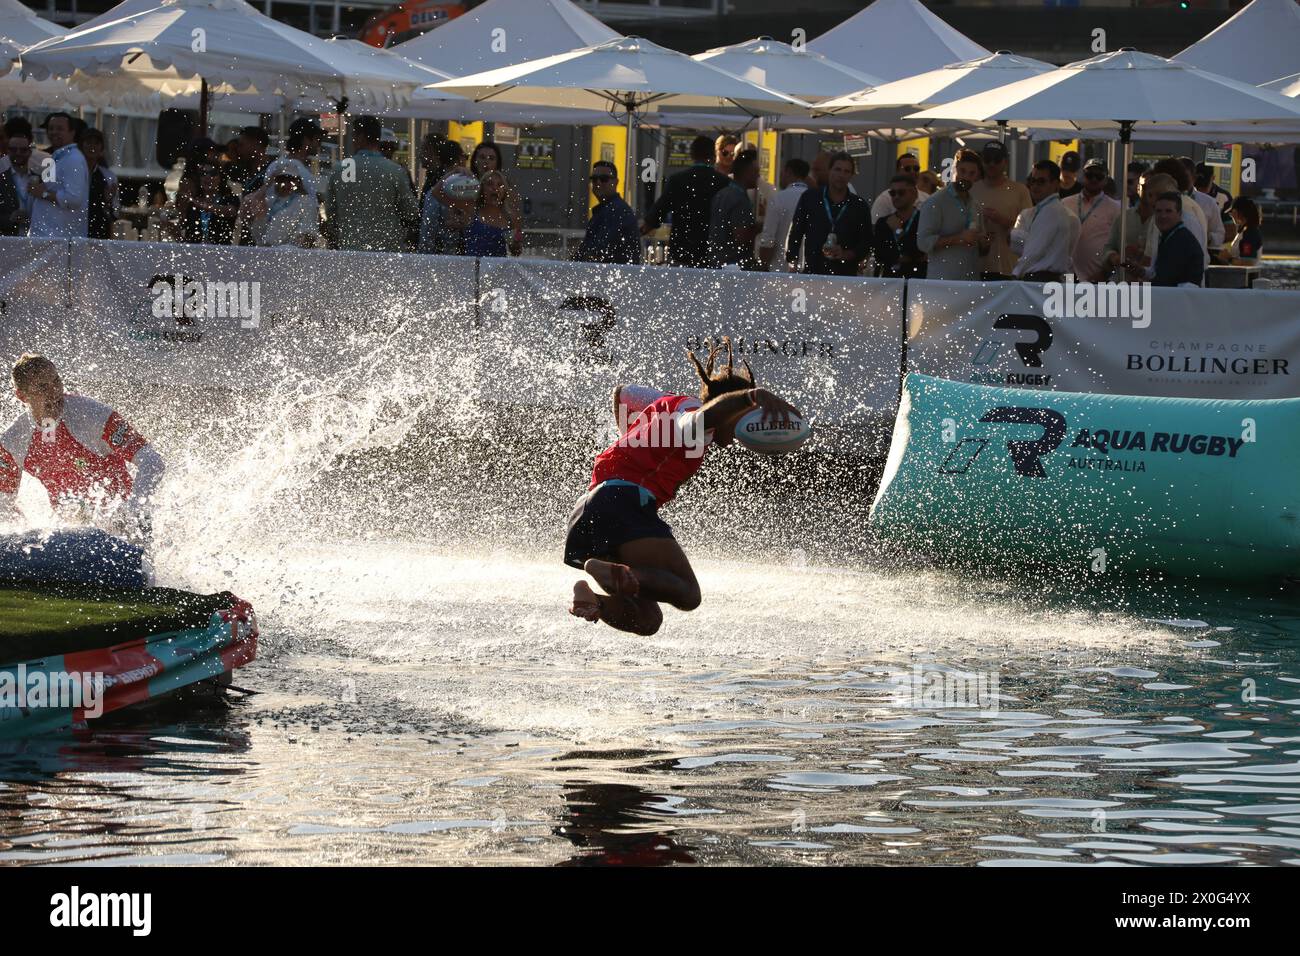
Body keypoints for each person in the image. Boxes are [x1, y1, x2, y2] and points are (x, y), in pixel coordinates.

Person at [566, 339, 799, 635]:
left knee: (647, 620)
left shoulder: (669, 404)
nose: (744, 428)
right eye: (745, 418)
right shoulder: (696, 424)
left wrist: (635, 441)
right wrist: (753, 396)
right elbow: (707, 416)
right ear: (729, 408)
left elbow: (624, 394)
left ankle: (594, 602)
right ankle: (603, 570)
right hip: (624, 500)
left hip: (592, 505)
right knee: (688, 594)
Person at [1, 354, 164, 540]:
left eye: (56, 380)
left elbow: (152, 461)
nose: (54, 392)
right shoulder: (11, 441)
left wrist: (133, 508)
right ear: (22, 396)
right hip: (72, 536)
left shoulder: (94, 415)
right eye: (42, 387)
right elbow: (3, 506)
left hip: (126, 526)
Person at [323, 115, 420, 252]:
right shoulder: (394, 171)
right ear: (377, 138)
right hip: (387, 250)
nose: (353, 139)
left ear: (360, 137)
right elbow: (411, 212)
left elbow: (331, 212)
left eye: (354, 135)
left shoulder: (342, 168)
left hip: (350, 247)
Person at [642, 135, 729, 268]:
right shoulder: (723, 182)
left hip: (681, 252)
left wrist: (642, 229)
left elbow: (658, 212)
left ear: (692, 154)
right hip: (711, 253)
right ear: (713, 155)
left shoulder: (677, 180)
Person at [786, 151, 872, 276]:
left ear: (851, 175)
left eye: (846, 171)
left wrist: (846, 254)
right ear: (829, 170)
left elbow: (866, 242)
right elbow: (796, 232)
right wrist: (792, 263)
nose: (841, 175)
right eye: (837, 169)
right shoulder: (810, 198)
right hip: (813, 273)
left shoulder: (859, 206)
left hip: (845, 276)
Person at [917, 148, 988, 282]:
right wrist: (958, 238)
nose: (966, 177)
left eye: (972, 173)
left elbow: (980, 247)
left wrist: (984, 243)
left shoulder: (975, 205)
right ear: (954, 169)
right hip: (942, 283)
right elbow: (923, 242)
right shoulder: (936, 202)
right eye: (962, 171)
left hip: (970, 282)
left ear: (977, 176)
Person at [970, 141, 1031, 279]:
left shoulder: (1020, 190)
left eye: (996, 160)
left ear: (1005, 162)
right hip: (977, 267)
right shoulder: (972, 190)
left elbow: (1030, 229)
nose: (991, 164)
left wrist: (1004, 221)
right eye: (987, 159)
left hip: (1009, 267)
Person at [1011, 159, 1078, 283]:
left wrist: (1016, 273)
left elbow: (1033, 251)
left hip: (1042, 280)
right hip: (1046, 279)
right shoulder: (1050, 210)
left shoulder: (1052, 211)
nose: (1035, 186)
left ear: (1055, 184)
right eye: (1032, 181)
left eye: (1041, 182)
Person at [25, 112, 88, 239]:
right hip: (48, 236)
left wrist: (42, 194)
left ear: (72, 132)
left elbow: (74, 199)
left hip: (59, 240)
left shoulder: (73, 159)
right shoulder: (59, 157)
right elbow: (47, 190)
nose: (54, 132)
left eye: (60, 129)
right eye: (51, 128)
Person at [575, 161, 641, 265]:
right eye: (594, 179)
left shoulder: (617, 211)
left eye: (604, 179)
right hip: (612, 274)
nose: (598, 183)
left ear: (615, 182)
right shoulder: (607, 210)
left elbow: (599, 250)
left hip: (615, 275)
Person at [1065, 158, 1120, 282]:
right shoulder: (1065, 203)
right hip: (1067, 274)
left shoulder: (1116, 208)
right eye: (1090, 175)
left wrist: (1105, 273)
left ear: (1106, 179)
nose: (1094, 179)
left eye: (1099, 176)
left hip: (1099, 277)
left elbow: (1117, 246)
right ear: (1082, 176)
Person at [707, 150, 760, 270]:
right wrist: (759, 227)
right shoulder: (739, 198)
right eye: (756, 172)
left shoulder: (722, 193)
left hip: (717, 261)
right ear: (746, 173)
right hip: (734, 265)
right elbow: (741, 236)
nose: (758, 176)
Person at [469, 141, 523, 255]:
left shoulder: (507, 193)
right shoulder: (465, 188)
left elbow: (516, 239)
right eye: (482, 157)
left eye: (491, 158)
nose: (486, 162)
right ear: (475, 161)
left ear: (497, 164)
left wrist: (516, 238)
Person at [758, 157, 809, 272]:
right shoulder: (815, 199)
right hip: (806, 268)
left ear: (789, 172)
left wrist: (763, 266)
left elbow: (768, 238)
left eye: (782, 172)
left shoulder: (778, 199)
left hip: (779, 269)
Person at [1102, 172, 1156, 279]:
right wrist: (1115, 257)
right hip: (1122, 281)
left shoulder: (1162, 220)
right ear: (1138, 188)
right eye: (1144, 186)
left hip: (1149, 285)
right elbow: (1108, 247)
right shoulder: (1123, 218)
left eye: (1151, 187)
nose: (1147, 191)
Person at [418, 138, 467, 255]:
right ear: (460, 160)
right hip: (455, 255)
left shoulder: (435, 189)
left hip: (442, 257)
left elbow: (427, 231)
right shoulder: (465, 190)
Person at [872, 173, 926, 279]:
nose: (896, 197)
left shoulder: (923, 221)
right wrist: (907, 256)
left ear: (914, 194)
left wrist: (898, 231)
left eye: (901, 192)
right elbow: (880, 255)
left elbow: (918, 251)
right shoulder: (883, 223)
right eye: (892, 193)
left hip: (915, 281)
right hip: (888, 282)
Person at [1146, 192, 1204, 288]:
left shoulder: (1181, 241)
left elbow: (1166, 280)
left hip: (1178, 299)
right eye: (1158, 211)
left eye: (1168, 211)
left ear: (1179, 214)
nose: (1163, 216)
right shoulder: (1172, 236)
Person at [257, 163, 319, 248]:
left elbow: (307, 232)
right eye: (282, 180)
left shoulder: (305, 202)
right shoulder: (270, 201)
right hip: (266, 251)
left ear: (298, 182)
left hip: (290, 252)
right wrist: (267, 184)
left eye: (290, 180)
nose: (286, 184)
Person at [178, 161, 239, 245]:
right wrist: (171, 228)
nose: (207, 177)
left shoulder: (229, 199)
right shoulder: (193, 204)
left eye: (213, 173)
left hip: (221, 252)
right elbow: (186, 242)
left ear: (221, 178)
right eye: (203, 174)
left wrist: (203, 205)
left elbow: (230, 212)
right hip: (196, 254)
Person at [78, 128, 119, 241]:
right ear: (81, 146)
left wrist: (108, 201)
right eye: (88, 142)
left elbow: (114, 213)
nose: (92, 146)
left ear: (101, 148)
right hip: (76, 229)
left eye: (96, 143)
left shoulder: (109, 177)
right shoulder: (74, 172)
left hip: (98, 233)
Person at [463, 170, 514, 258]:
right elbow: (437, 193)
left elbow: (515, 252)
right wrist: (455, 172)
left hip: (497, 270)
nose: (495, 188)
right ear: (482, 189)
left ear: (504, 192)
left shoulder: (509, 218)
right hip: (472, 269)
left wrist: (516, 245)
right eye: (490, 184)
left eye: (500, 185)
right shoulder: (472, 211)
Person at [870, 153, 931, 223]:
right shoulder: (885, 199)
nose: (912, 172)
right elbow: (875, 226)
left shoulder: (927, 199)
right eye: (907, 169)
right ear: (898, 171)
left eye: (916, 169)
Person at [0, 122, 33, 236]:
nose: (18, 153)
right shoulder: (1, 180)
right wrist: (10, 218)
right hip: (8, 242)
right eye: (13, 149)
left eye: (23, 150)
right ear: (8, 151)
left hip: (36, 242)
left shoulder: (39, 180)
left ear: (30, 152)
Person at [1228, 197, 1263, 265]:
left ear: (1239, 213)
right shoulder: (1244, 231)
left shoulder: (1249, 233)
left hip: (1245, 275)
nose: (1231, 215)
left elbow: (1248, 263)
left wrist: (1228, 258)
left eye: (1232, 212)